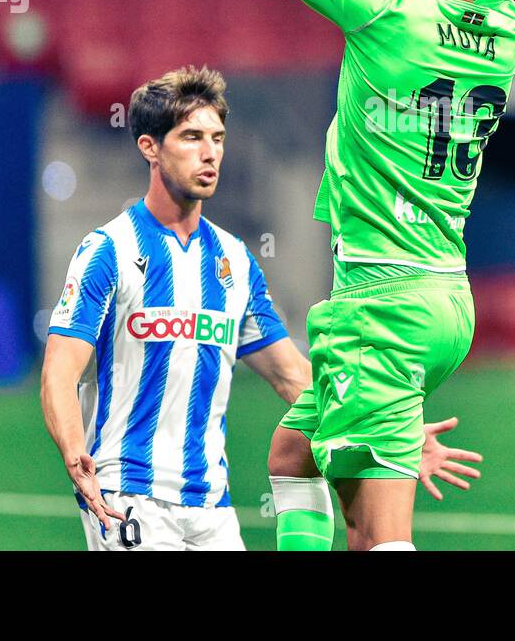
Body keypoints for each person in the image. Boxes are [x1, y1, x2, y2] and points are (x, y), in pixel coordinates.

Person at [243, 0, 515, 551]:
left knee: (380, 539)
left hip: (384, 307)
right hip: (443, 299)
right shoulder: (506, 25)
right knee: (292, 451)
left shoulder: (378, 13)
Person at [40, 66, 481, 550]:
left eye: (217, 138)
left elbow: (292, 375)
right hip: (127, 494)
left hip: (211, 504)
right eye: (191, 137)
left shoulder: (235, 260)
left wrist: (381, 418)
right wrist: (73, 449)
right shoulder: (109, 250)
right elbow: (60, 372)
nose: (209, 153)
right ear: (150, 147)